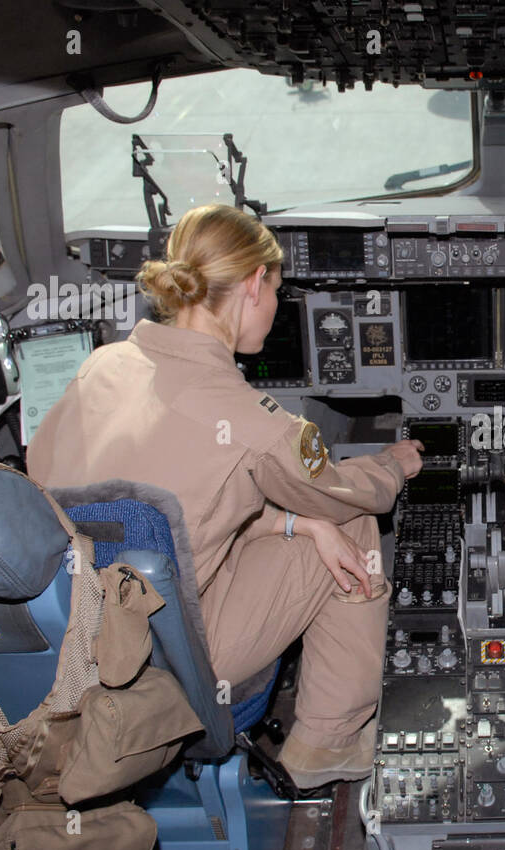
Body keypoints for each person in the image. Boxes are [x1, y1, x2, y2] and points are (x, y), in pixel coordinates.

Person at [27, 204, 424, 789]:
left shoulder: (101, 366)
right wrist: (392, 463)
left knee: (309, 525)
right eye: (278, 290)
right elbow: (338, 494)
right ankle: (326, 743)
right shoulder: (248, 419)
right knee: (352, 526)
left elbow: (141, 513)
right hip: (175, 658)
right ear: (253, 284)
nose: (275, 306)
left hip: (73, 636)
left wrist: (291, 524)